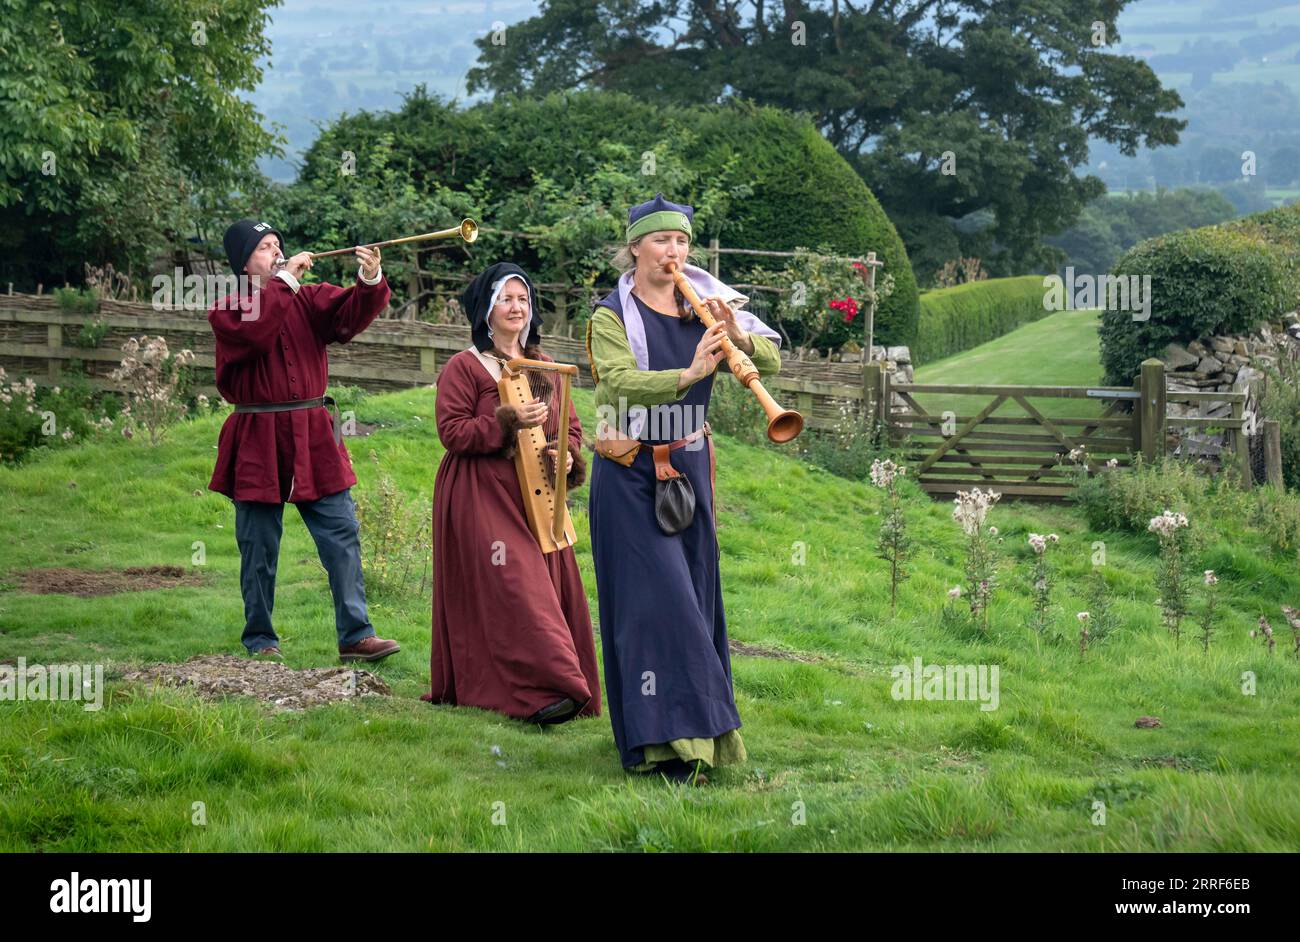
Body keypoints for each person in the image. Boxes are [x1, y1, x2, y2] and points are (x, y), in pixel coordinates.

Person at [585, 194, 783, 784]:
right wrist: (690, 374)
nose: (673, 252)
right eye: (661, 241)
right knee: (656, 605)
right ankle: (663, 746)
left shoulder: (707, 305)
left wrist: (737, 340)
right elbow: (613, 388)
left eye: (681, 242)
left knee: (695, 598)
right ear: (635, 248)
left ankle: (701, 741)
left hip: (688, 465)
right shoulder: (609, 315)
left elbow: (770, 359)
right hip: (629, 472)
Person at [207, 219, 401, 663]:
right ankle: (260, 639)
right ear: (243, 262)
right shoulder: (230, 308)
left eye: (278, 245)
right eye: (264, 248)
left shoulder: (307, 298)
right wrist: (289, 279)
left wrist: (369, 280)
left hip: (315, 432)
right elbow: (255, 335)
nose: (276, 253)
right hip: (257, 434)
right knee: (258, 544)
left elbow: (349, 319)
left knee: (342, 532)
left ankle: (356, 635)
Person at [421, 262, 601, 725]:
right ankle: (545, 690)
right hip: (481, 493)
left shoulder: (543, 365)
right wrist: (507, 422)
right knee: (517, 586)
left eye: (523, 299)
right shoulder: (465, 366)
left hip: (537, 495)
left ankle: (552, 689)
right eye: (507, 299)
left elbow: (572, 427)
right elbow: (453, 432)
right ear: (487, 310)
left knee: (541, 583)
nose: (517, 307)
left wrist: (566, 455)